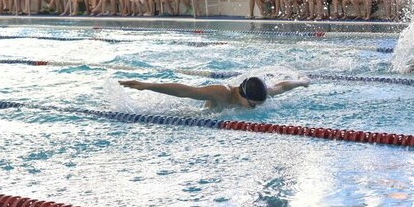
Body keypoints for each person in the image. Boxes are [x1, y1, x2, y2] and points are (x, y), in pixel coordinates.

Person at [119, 75, 310, 110]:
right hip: (203, 114)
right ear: (243, 95)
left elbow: (282, 86)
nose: (254, 109)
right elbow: (186, 91)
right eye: (252, 105)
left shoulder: (260, 94)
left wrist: (301, 82)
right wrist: (149, 86)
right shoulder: (222, 93)